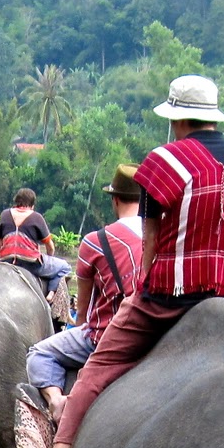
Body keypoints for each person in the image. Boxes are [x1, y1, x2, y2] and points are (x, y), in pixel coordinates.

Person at [14, 75, 224, 448]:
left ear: (177, 120)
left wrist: (138, 294)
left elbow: (151, 245)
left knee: (97, 368)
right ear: (213, 116)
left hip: (169, 299)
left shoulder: (162, 163)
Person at [22, 164, 144, 422]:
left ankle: (57, 403)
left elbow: (84, 314)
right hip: (154, 332)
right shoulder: (163, 236)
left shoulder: (95, 241)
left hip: (108, 337)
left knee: (39, 353)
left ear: (115, 200)